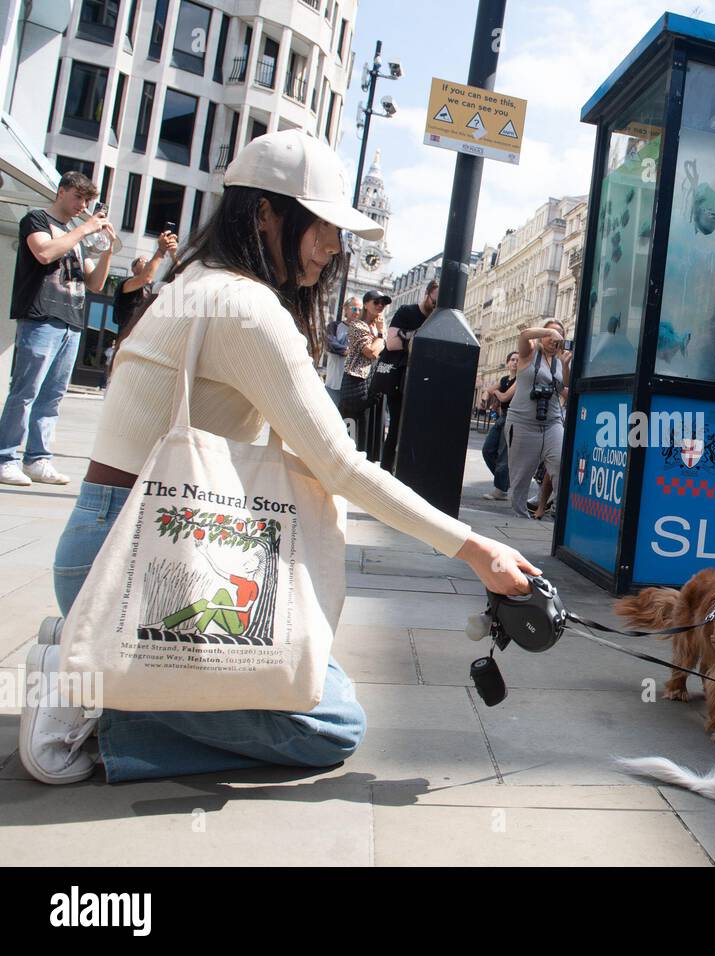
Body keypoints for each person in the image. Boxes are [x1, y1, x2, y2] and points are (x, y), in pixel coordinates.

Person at [22, 129, 537, 787]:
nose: (332, 244)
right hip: (136, 560)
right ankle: (94, 707)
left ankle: (87, 649)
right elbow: (343, 466)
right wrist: (476, 550)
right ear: (263, 212)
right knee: (330, 725)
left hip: (107, 541)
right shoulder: (247, 308)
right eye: (319, 223)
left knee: (308, 673)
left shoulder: (191, 282)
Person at [0, 171, 115, 486]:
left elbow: (95, 283)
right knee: (26, 391)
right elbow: (45, 252)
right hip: (40, 316)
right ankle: (5, 457)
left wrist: (107, 250)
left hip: (71, 322)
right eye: (78, 197)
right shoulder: (36, 220)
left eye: (87, 201)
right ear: (61, 192)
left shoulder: (75, 235)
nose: (82, 206)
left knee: (52, 396)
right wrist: (87, 229)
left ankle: (38, 459)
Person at [506, 321, 570, 518]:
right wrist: (550, 330)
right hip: (523, 422)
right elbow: (525, 334)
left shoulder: (560, 359)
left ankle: (559, 516)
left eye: (558, 335)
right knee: (520, 476)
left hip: (552, 422)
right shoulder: (530, 351)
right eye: (550, 333)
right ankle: (520, 517)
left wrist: (565, 364)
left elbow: (564, 385)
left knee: (561, 464)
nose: (553, 338)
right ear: (542, 334)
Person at [372, 278, 436, 472]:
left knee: (414, 426)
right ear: (426, 294)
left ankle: (405, 467)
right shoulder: (407, 312)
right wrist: (417, 338)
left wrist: (408, 337)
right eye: (434, 301)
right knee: (397, 424)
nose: (435, 306)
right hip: (398, 376)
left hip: (421, 379)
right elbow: (392, 344)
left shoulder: (437, 318)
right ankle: (386, 468)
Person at [338, 289, 389, 458]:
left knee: (368, 435)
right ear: (366, 304)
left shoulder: (377, 328)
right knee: (353, 432)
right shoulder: (358, 325)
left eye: (383, 303)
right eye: (377, 302)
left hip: (374, 385)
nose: (381, 305)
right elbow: (371, 352)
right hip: (357, 384)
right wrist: (381, 335)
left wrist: (380, 334)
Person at [111, 231, 179, 356]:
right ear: (133, 268)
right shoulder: (125, 284)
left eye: (148, 260)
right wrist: (161, 250)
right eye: (142, 260)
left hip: (146, 342)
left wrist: (173, 254)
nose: (147, 261)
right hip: (127, 342)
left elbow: (182, 279)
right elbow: (145, 278)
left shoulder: (154, 287)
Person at [481, 350, 517, 500]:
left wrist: (493, 392)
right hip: (502, 418)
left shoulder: (521, 379)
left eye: (518, 360)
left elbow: (504, 397)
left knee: (504, 455)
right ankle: (504, 481)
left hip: (513, 418)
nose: (515, 362)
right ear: (508, 362)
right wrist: (485, 395)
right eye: (513, 359)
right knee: (487, 450)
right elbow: (487, 391)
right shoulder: (504, 379)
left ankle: (501, 490)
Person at [322, 296, 358, 406]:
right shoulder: (334, 326)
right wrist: (350, 351)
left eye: (360, 310)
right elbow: (330, 344)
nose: (357, 312)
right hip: (334, 384)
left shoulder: (363, 330)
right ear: (345, 309)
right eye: (354, 308)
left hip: (353, 387)